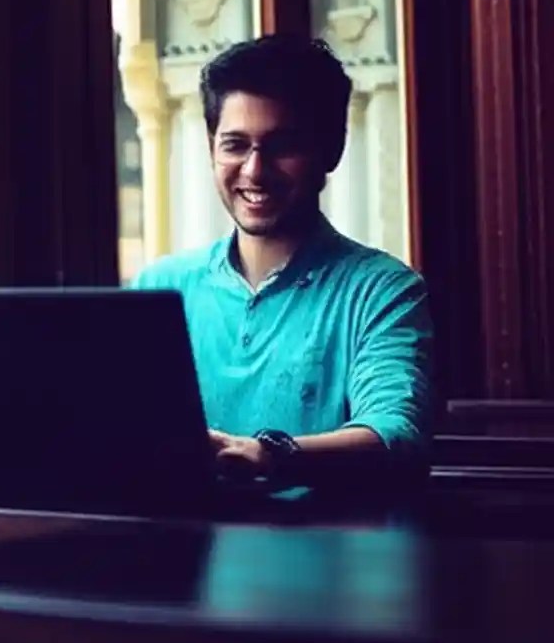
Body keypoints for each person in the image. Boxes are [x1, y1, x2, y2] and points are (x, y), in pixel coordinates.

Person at [131, 35, 432, 488]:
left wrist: (270, 455)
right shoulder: (160, 285)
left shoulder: (384, 291)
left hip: (328, 551)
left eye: (282, 145)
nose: (254, 170)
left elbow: (396, 434)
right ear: (211, 148)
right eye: (235, 144)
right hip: (180, 549)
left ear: (331, 150)